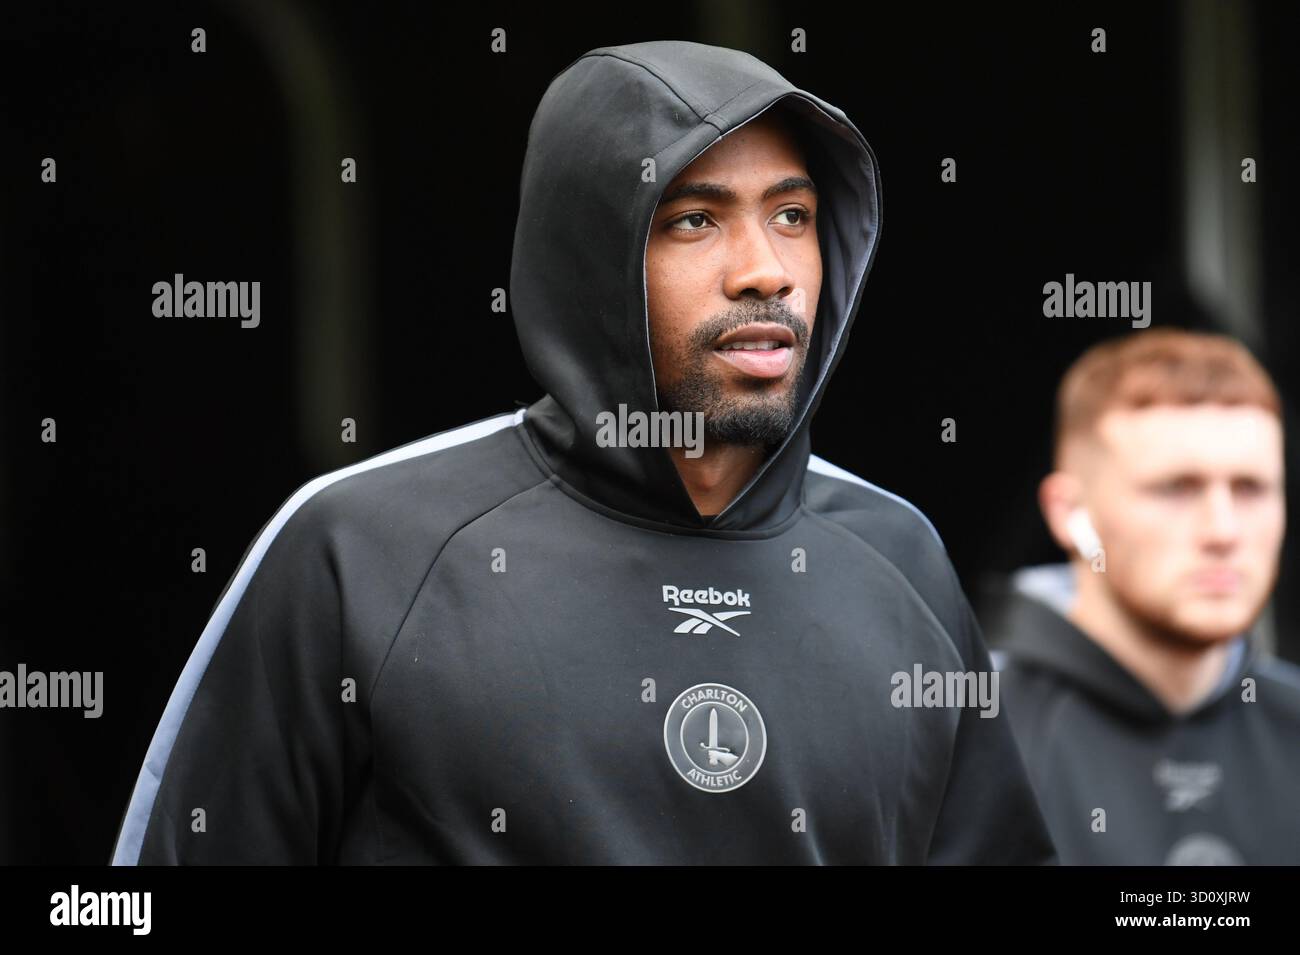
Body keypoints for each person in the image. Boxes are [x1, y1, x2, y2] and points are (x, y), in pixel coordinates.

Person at [110, 39, 1054, 864]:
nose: (764, 268)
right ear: (589, 255)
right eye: (695, 218)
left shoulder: (900, 558)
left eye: (793, 216)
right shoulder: (360, 549)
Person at [987, 328, 1300, 864]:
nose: (1223, 530)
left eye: (1250, 488)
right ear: (1068, 512)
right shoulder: (969, 737)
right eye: (1176, 488)